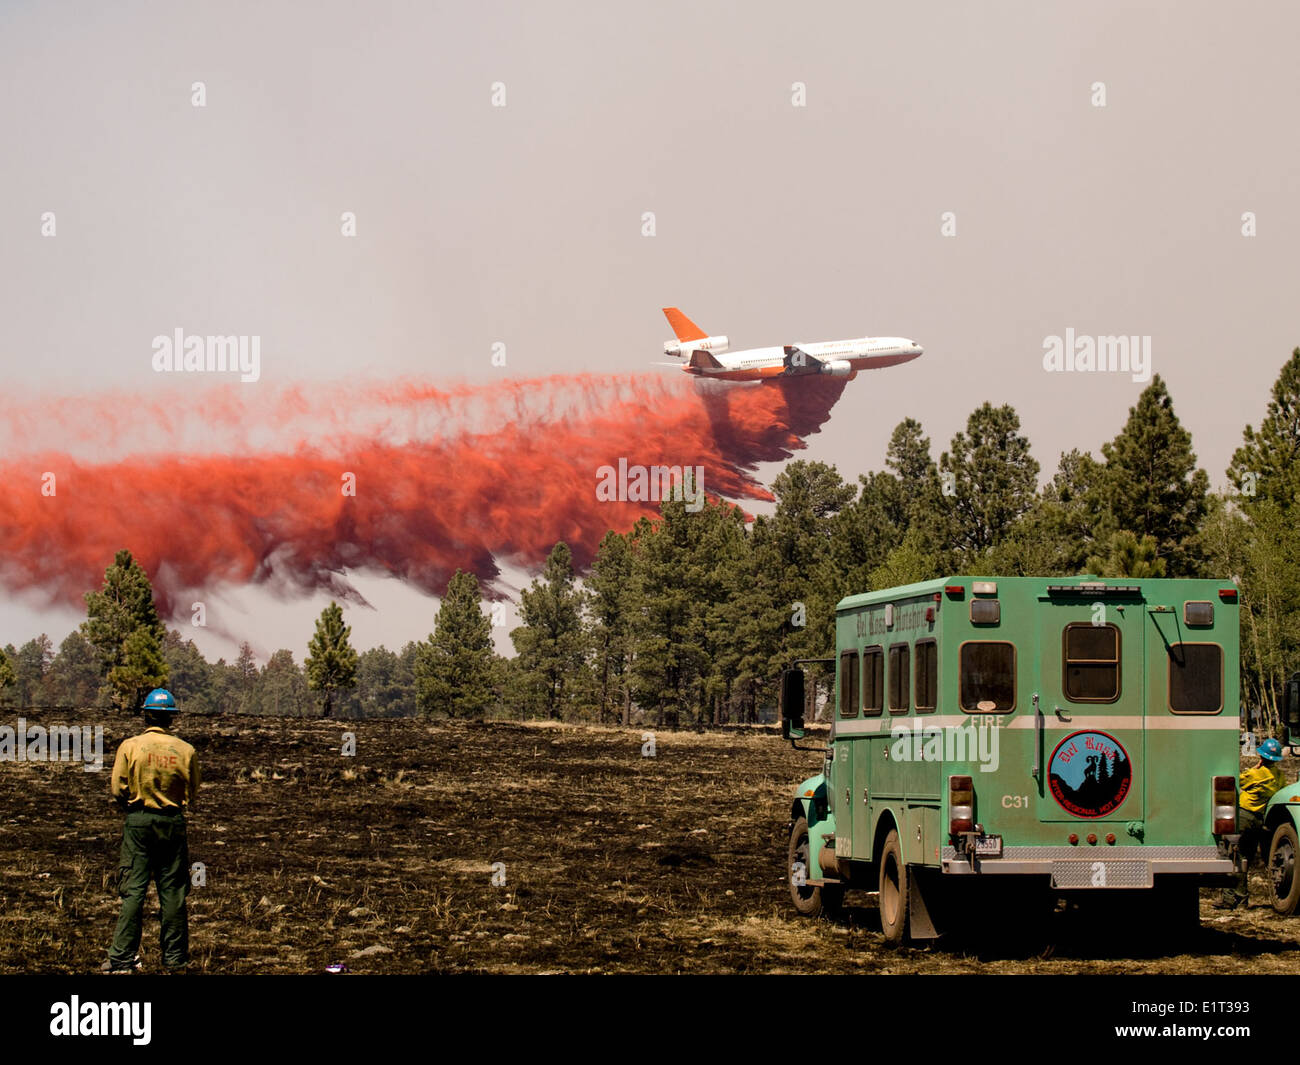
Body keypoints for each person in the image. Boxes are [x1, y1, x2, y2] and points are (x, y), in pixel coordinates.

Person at [101, 689, 201, 973]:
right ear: (172, 718)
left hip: (138, 822)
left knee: (133, 890)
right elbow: (193, 791)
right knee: (174, 893)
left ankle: (121, 956)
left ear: (146, 714)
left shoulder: (130, 746)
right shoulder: (186, 750)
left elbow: (117, 787)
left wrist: (134, 806)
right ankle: (175, 959)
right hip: (172, 823)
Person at [1219, 737, 1287, 910]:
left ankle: (1230, 898)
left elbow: (1238, 781)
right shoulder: (1279, 777)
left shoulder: (1255, 774)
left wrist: (1255, 768)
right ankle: (1242, 899)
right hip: (1259, 819)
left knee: (1232, 854)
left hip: (1244, 816)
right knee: (1246, 857)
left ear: (1262, 757)